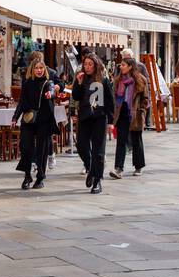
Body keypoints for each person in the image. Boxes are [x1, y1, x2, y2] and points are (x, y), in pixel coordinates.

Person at [13, 52, 60, 189]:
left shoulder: (48, 83)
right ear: (32, 70)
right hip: (28, 119)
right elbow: (21, 101)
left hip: (43, 120)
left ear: (44, 69)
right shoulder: (27, 83)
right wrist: (15, 117)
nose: (39, 70)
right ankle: (27, 175)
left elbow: (52, 91)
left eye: (41, 68)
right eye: (36, 68)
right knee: (26, 147)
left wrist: (50, 94)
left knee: (42, 150)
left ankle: (40, 177)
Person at [69, 52, 114, 194]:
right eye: (85, 64)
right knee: (81, 145)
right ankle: (91, 169)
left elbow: (110, 101)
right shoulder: (80, 78)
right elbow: (75, 96)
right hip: (84, 117)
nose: (87, 67)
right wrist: (79, 83)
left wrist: (110, 122)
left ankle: (97, 180)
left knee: (98, 151)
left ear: (96, 65)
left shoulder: (103, 80)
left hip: (99, 118)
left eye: (90, 64)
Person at [111, 51, 148, 178]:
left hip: (135, 114)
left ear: (130, 67)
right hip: (122, 113)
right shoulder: (117, 81)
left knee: (136, 141)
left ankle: (138, 166)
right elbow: (114, 97)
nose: (120, 67)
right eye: (120, 65)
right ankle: (118, 168)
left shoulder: (140, 80)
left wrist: (141, 111)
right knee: (121, 141)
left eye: (123, 65)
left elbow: (145, 98)